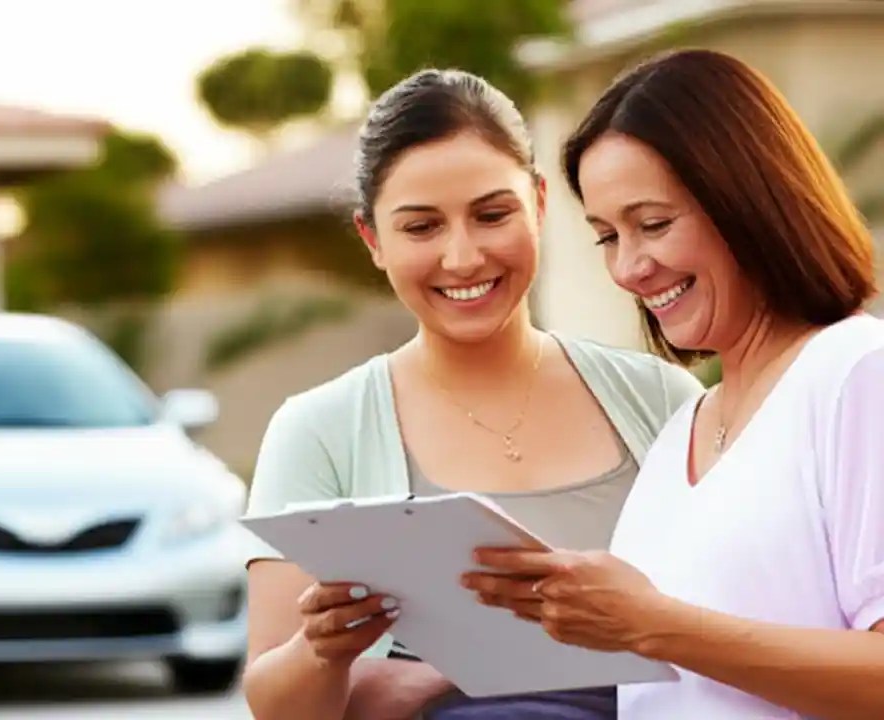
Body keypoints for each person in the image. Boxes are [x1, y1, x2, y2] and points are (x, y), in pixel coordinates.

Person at [239, 68, 703, 720]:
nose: (462, 258)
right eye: (421, 228)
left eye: (492, 215)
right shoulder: (319, 429)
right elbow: (276, 706)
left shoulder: (662, 399)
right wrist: (323, 652)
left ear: (539, 205)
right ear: (372, 239)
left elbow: (731, 625)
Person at [463, 49, 884, 719]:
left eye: (653, 224)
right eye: (606, 236)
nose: (630, 268)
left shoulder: (857, 372)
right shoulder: (681, 433)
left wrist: (651, 623)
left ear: (749, 201)